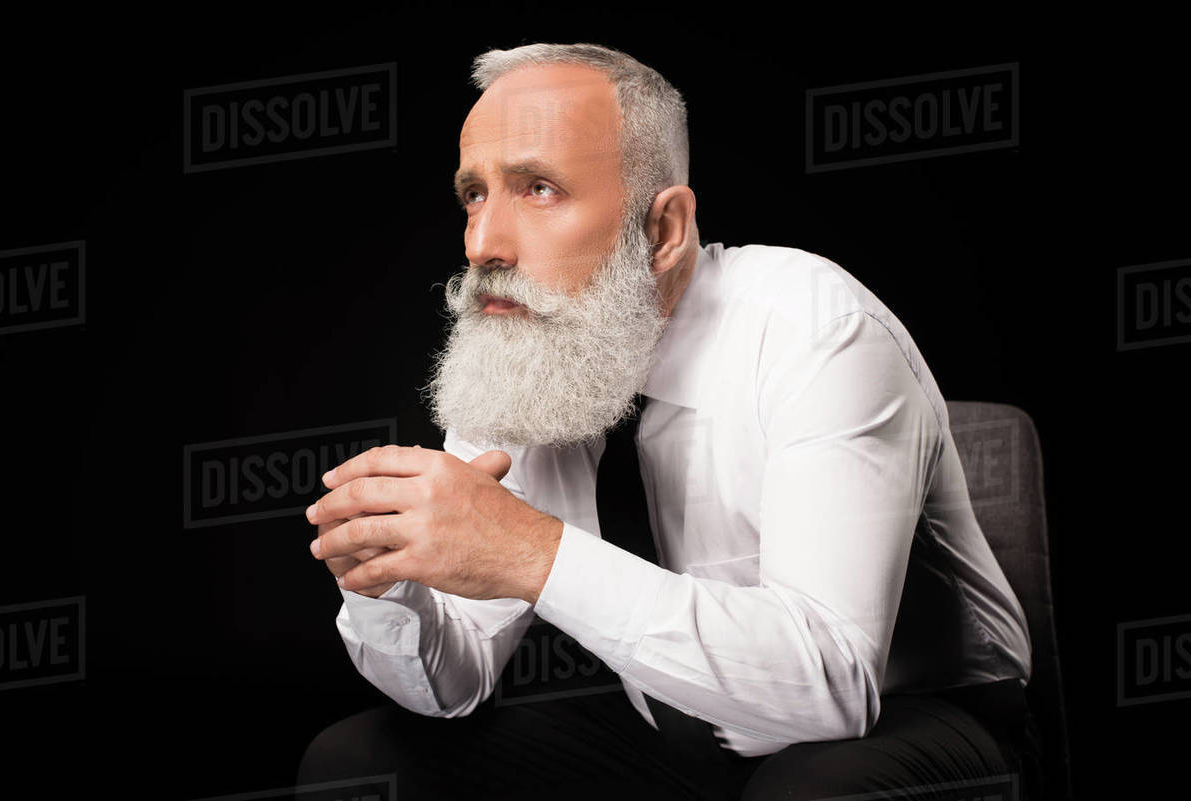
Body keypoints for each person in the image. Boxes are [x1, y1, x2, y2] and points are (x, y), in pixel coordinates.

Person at [295, 43, 1040, 800]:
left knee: (810, 791)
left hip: (913, 720)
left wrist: (529, 550)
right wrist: (386, 588)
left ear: (663, 230)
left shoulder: (817, 328)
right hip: (678, 732)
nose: (482, 243)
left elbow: (832, 685)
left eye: (539, 188)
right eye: (475, 194)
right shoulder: (524, 353)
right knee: (353, 763)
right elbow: (455, 682)